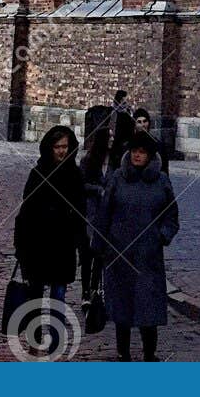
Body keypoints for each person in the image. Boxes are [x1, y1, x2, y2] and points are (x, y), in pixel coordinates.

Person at [99, 131, 179, 361]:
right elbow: (105, 213)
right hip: (119, 252)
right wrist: (101, 245)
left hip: (148, 255)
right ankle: (123, 353)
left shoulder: (161, 181)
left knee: (148, 306)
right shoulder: (117, 178)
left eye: (142, 152)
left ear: (149, 155)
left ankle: (149, 353)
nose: (137, 155)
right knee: (121, 305)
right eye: (134, 151)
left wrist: (161, 236)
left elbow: (171, 216)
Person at [14, 126, 88, 351]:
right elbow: (26, 210)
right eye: (57, 147)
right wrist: (21, 244)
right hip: (38, 244)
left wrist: (81, 243)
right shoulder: (38, 173)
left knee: (58, 297)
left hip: (63, 245)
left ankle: (55, 342)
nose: (62, 151)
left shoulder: (74, 175)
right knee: (35, 295)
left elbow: (80, 212)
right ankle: (35, 340)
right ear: (49, 148)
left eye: (65, 147)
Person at [79, 126, 112, 302]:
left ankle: (94, 290)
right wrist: (98, 190)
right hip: (89, 213)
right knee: (87, 255)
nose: (113, 140)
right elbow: (81, 185)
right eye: (110, 137)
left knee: (100, 256)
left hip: (106, 215)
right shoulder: (88, 161)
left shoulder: (115, 162)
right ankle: (85, 291)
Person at [130, 107, 168, 172]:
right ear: (135, 124)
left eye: (145, 121)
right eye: (139, 122)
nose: (143, 125)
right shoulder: (129, 143)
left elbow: (164, 168)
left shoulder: (157, 144)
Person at [108, 89, 134, 164]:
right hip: (116, 139)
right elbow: (111, 125)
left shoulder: (129, 110)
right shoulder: (113, 111)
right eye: (123, 99)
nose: (125, 101)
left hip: (127, 138)